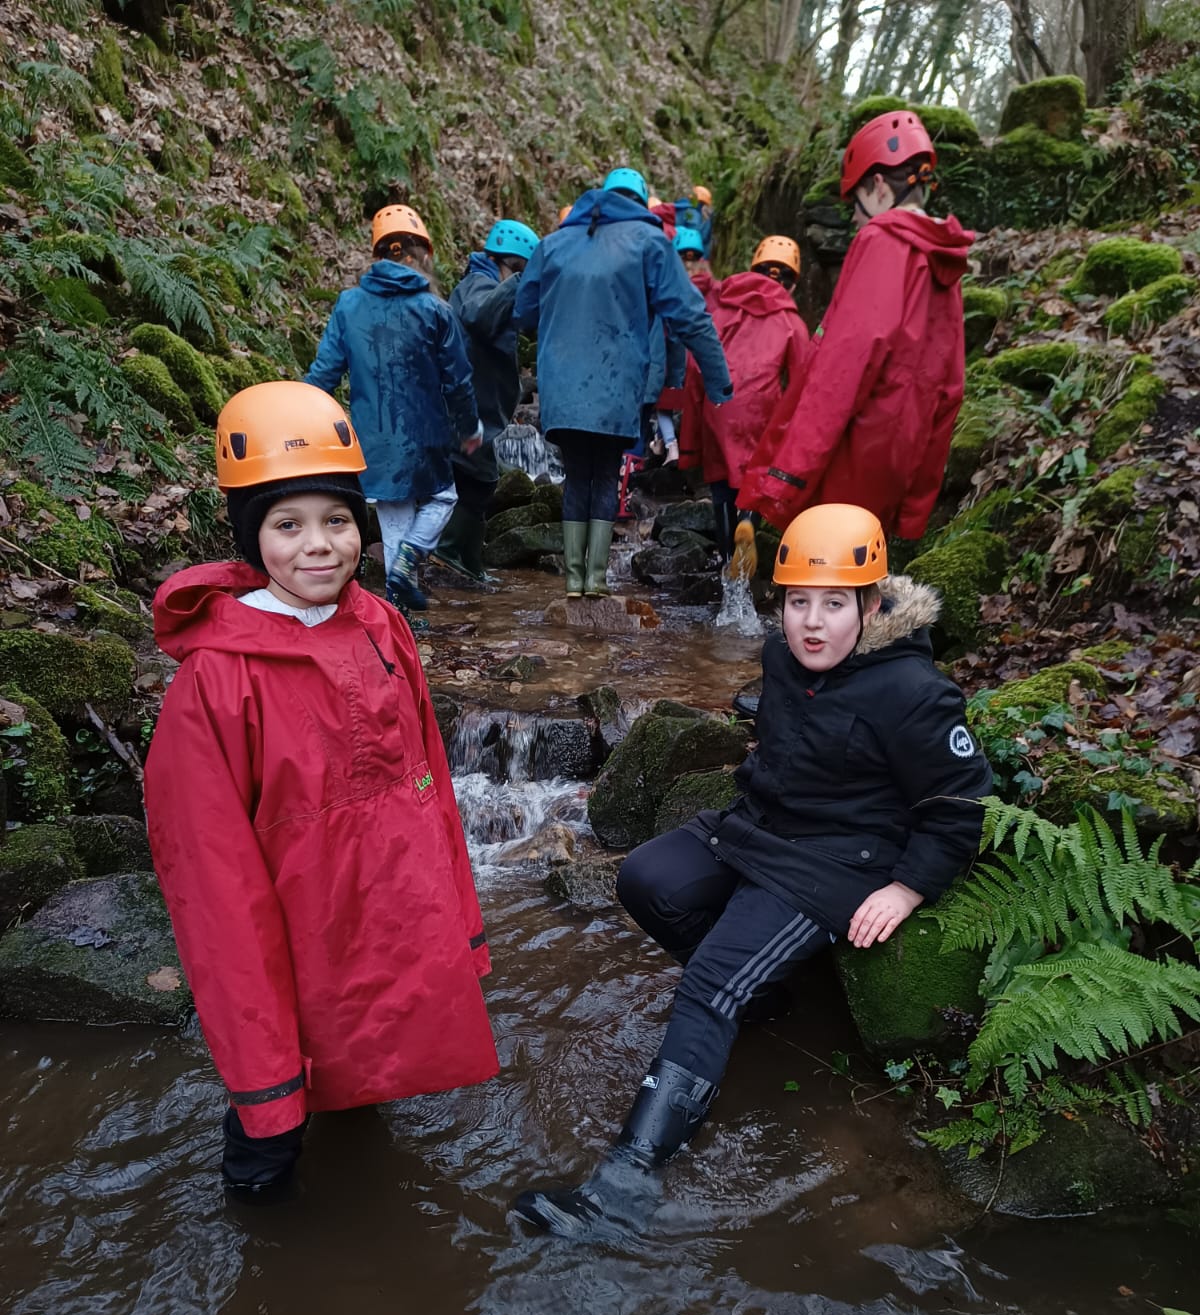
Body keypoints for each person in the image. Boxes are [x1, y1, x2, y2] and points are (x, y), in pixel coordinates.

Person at [513, 503, 993, 1235]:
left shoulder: (915, 694)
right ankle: (759, 1000)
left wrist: (907, 886)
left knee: (707, 986)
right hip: (756, 828)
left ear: (871, 603)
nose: (812, 622)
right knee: (644, 877)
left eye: (835, 604)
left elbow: (957, 801)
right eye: (798, 601)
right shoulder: (780, 656)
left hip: (836, 862)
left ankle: (625, 1186)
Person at [145, 382, 498, 1200]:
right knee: (270, 1144)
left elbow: (430, 786)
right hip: (286, 949)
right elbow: (212, 882)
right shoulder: (216, 682)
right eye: (287, 524)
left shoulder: (381, 624)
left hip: (376, 943)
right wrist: (260, 1059)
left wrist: (460, 930)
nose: (319, 547)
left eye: (337, 520)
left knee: (360, 1111)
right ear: (249, 535)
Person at [737, 111, 973, 548]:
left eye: (856, 204)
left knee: (814, 603)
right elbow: (949, 390)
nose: (856, 221)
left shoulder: (883, 241)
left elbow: (840, 373)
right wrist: (914, 508)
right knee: (855, 600)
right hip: (894, 468)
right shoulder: (944, 261)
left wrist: (781, 480)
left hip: (848, 461)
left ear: (880, 186)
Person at [515, 165, 732, 598]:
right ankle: (595, 580)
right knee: (607, 472)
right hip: (615, 384)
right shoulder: (648, 241)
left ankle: (574, 582)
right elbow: (688, 315)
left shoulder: (553, 243)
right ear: (638, 204)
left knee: (576, 476)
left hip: (561, 389)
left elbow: (523, 311)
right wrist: (718, 380)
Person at [304, 203, 482, 614]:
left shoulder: (349, 305)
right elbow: (458, 380)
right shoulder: (435, 310)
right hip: (426, 434)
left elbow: (324, 375)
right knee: (442, 498)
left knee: (394, 514)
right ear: (421, 255)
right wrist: (470, 427)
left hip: (371, 438)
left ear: (378, 255)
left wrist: (297, 422)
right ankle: (411, 557)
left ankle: (399, 613)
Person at [679, 235, 809, 568]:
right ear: (791, 285)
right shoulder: (791, 321)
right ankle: (748, 521)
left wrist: (690, 437)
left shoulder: (722, 307)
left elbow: (695, 363)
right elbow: (803, 381)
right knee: (758, 475)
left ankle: (726, 562)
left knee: (721, 482)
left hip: (718, 401)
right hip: (762, 409)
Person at [436, 218, 540, 584]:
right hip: (467, 404)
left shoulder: (483, 283)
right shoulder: (478, 283)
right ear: (503, 263)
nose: (520, 279)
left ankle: (469, 560)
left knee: (479, 483)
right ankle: (449, 550)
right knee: (479, 481)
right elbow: (481, 315)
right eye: (517, 271)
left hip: (478, 402)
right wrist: (518, 283)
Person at [648, 227, 709, 467]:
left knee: (664, 404)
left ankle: (671, 446)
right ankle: (662, 442)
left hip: (673, 354)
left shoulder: (670, 284)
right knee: (679, 404)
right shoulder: (706, 288)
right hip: (697, 354)